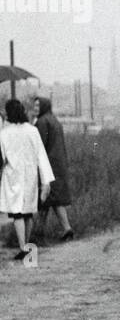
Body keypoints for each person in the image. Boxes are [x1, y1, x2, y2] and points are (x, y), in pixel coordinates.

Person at [1, 98, 54, 259]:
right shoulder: (32, 130)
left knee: (17, 212)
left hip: (13, 175)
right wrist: (46, 181)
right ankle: (27, 246)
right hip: (30, 175)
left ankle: (23, 247)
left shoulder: (4, 134)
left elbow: (2, 158)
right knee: (28, 211)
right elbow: (41, 156)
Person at [33, 97, 74, 241]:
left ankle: (38, 233)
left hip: (48, 166)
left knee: (44, 199)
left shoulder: (42, 122)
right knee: (55, 200)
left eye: (38, 105)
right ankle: (66, 228)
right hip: (58, 164)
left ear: (43, 106)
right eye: (35, 105)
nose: (35, 107)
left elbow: (40, 145)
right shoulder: (55, 120)